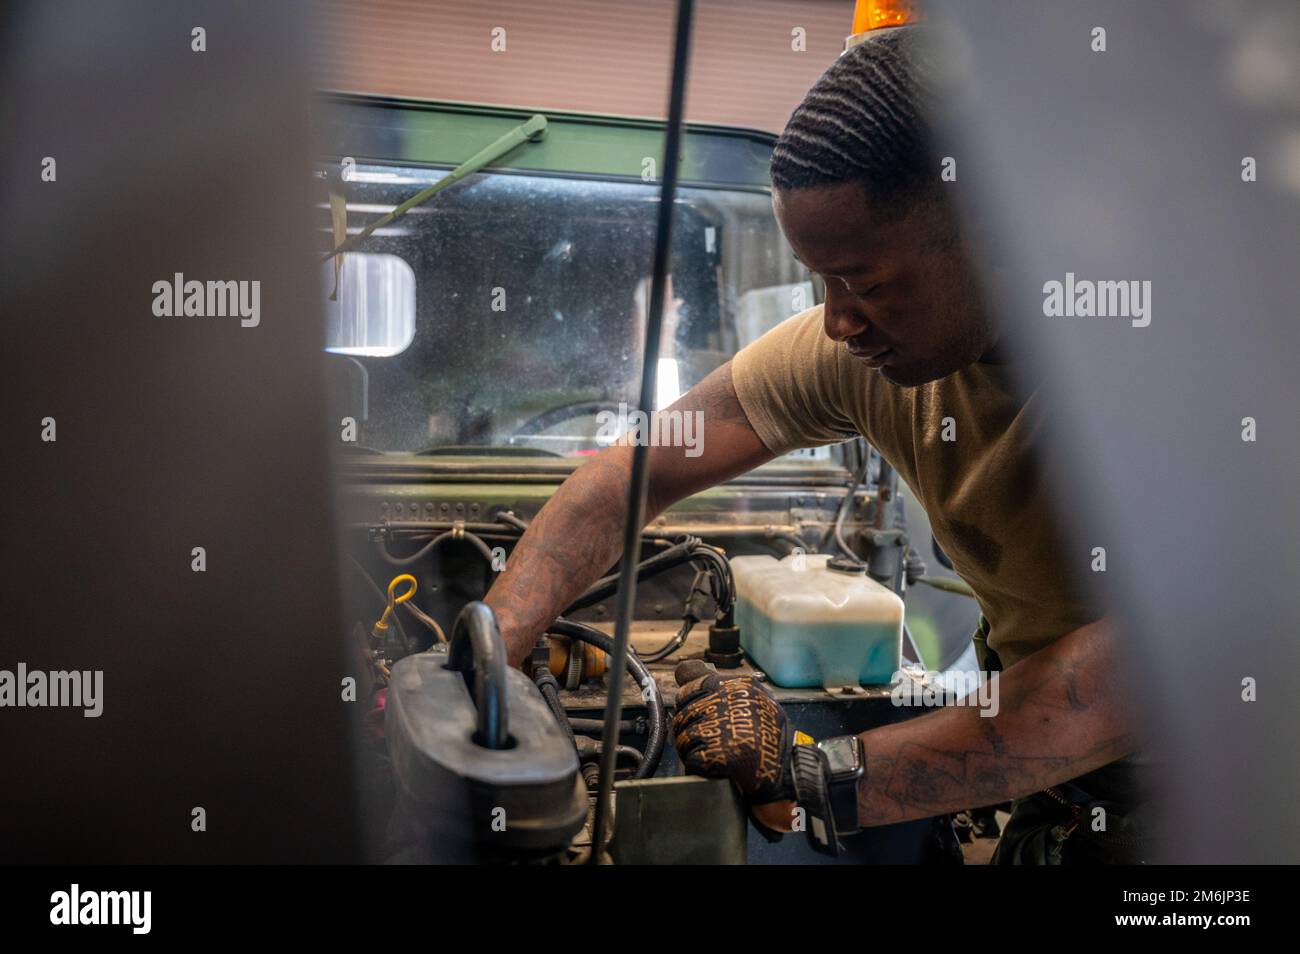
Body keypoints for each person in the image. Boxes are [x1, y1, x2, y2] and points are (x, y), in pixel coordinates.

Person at [484, 26, 1151, 864]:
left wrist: (813, 775)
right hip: (1055, 784)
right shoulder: (854, 353)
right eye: (820, 280)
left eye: (866, 282)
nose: (837, 321)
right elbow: (630, 476)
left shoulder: (1160, 378)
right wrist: (489, 645)